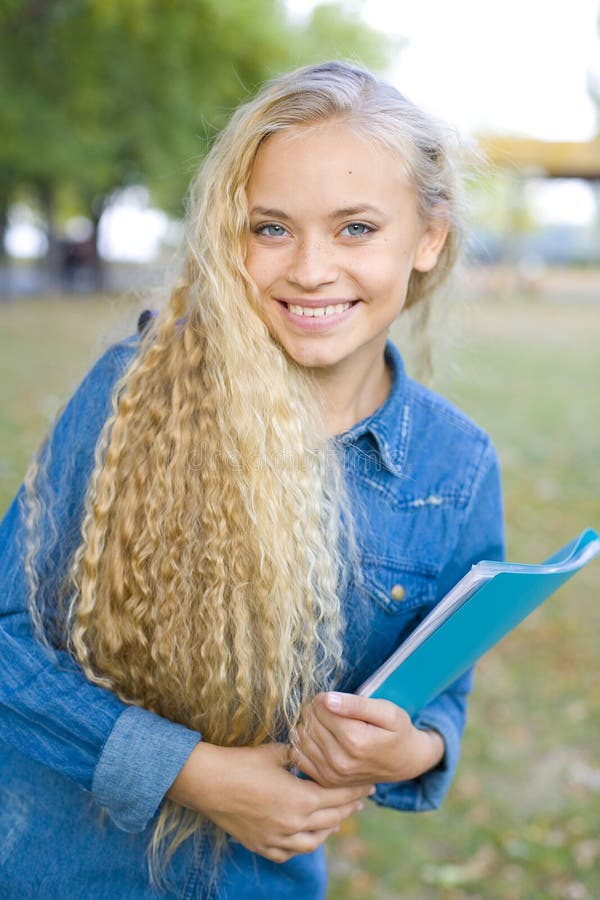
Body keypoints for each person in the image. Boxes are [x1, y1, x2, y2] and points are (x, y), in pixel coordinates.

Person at [0, 61, 504, 899]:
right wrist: (193, 773)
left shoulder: (454, 467)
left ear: (427, 237)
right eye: (271, 229)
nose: (310, 269)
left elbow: (443, 687)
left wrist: (408, 749)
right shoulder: (133, 394)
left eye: (355, 229)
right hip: (59, 870)